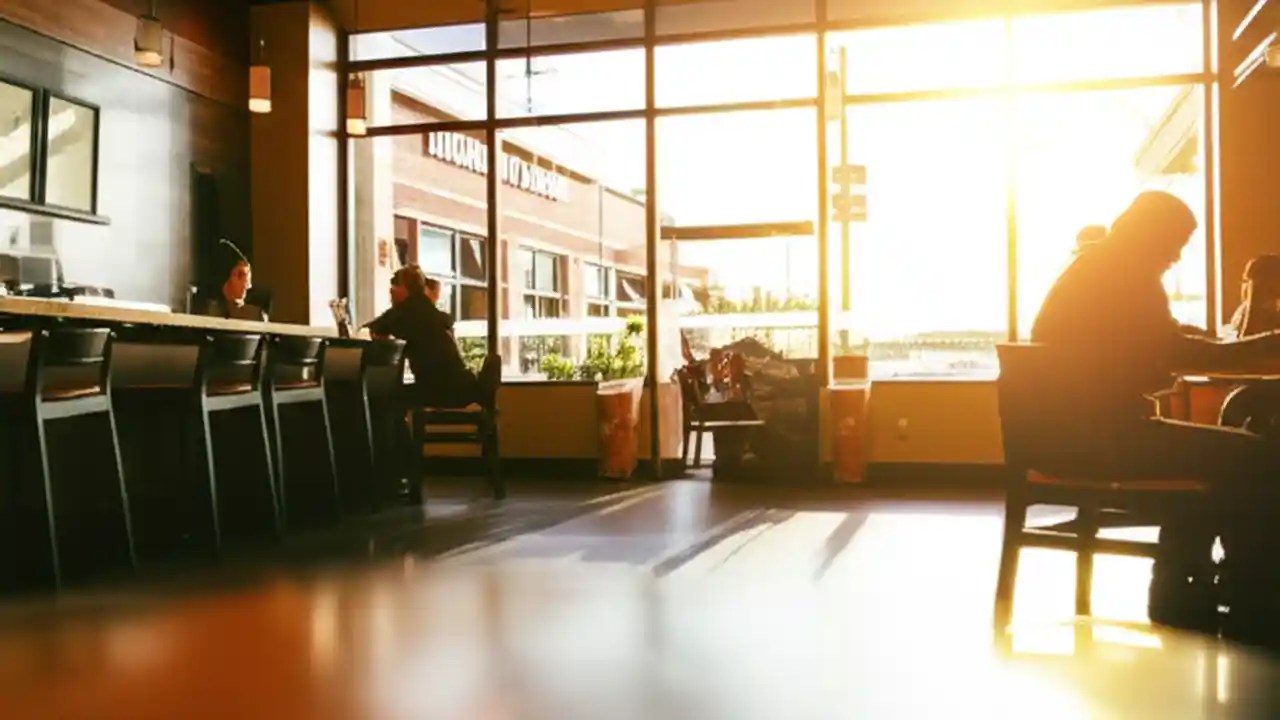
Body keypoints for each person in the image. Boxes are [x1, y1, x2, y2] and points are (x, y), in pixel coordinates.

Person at [1030, 191, 1280, 642]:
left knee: (1226, 451)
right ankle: (1251, 595)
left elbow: (1141, 340)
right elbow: (1171, 353)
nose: (1176, 254)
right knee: (1257, 456)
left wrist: (1180, 334)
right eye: (1175, 241)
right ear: (1152, 233)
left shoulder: (1096, 267)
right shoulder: (1129, 274)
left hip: (1067, 435)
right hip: (1107, 440)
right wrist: (1263, 344)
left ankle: (1184, 588)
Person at [365, 265, 477, 410]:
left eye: (395, 286)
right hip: (459, 386)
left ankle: (393, 433)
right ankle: (401, 432)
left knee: (384, 397)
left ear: (404, 288)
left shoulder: (405, 311)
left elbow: (372, 328)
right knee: (392, 396)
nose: (391, 291)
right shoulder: (425, 308)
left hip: (442, 390)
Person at [1218, 255, 1280, 433]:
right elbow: (1245, 345)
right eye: (1246, 282)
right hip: (1258, 387)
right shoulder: (1245, 311)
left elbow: (1250, 342)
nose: (1245, 287)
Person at [202, 239, 267, 321]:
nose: (245, 283)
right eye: (240, 275)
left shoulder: (257, 316)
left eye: (248, 275)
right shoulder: (208, 315)